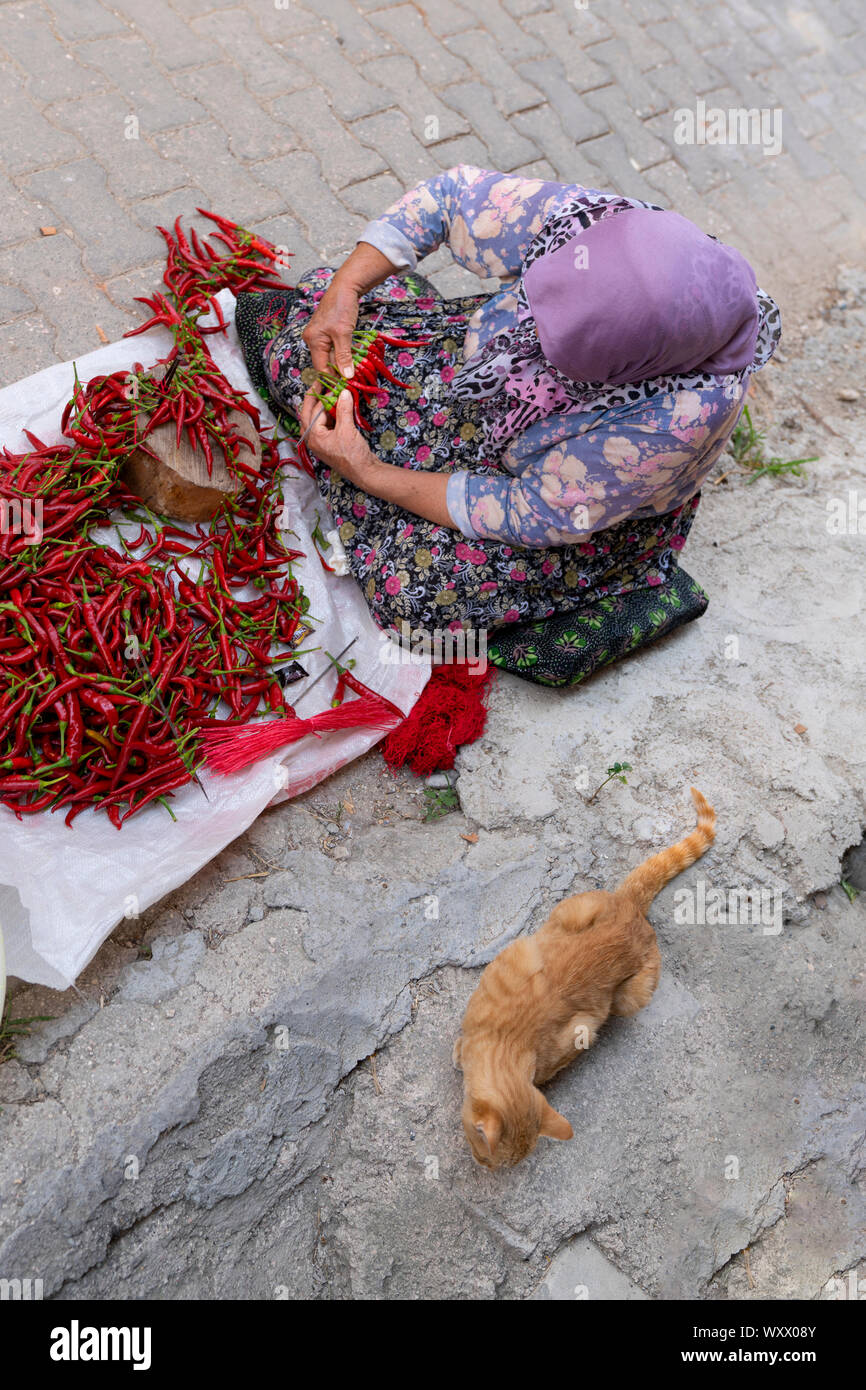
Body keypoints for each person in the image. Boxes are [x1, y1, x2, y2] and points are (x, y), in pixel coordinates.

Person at [236, 166, 780, 685]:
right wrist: (347, 292)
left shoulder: (678, 421)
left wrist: (365, 470)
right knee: (303, 354)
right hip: (487, 392)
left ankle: (368, 486)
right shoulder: (592, 231)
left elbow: (533, 511)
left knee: (412, 601)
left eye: (559, 359)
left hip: (576, 499)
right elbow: (448, 199)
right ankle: (371, 487)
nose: (535, 350)